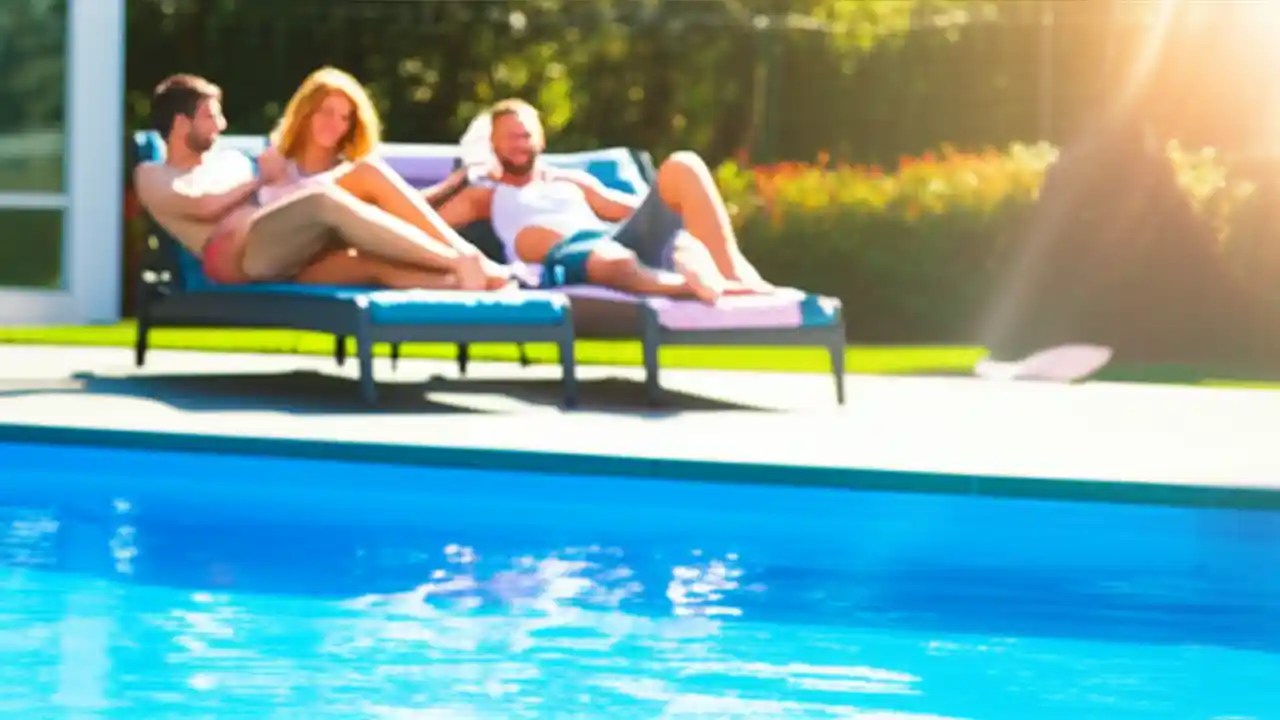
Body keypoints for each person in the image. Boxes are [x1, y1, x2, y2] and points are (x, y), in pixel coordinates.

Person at [132, 72, 508, 291]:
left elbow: (271, 198)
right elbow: (200, 205)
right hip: (237, 259)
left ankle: (478, 281)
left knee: (365, 183)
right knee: (321, 198)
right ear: (182, 123)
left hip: (283, 241)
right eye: (211, 117)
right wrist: (260, 180)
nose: (223, 126)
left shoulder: (228, 158)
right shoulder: (152, 173)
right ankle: (458, 258)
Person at [424, 98, 772, 303]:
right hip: (571, 256)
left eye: (526, 135)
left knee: (684, 165)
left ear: (541, 139)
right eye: (510, 138)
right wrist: (458, 178)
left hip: (613, 237)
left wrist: (689, 218)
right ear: (494, 147)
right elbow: (417, 219)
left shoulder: (572, 180)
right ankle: (694, 286)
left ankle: (735, 275)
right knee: (611, 258)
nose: (519, 143)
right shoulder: (483, 195)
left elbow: (635, 210)